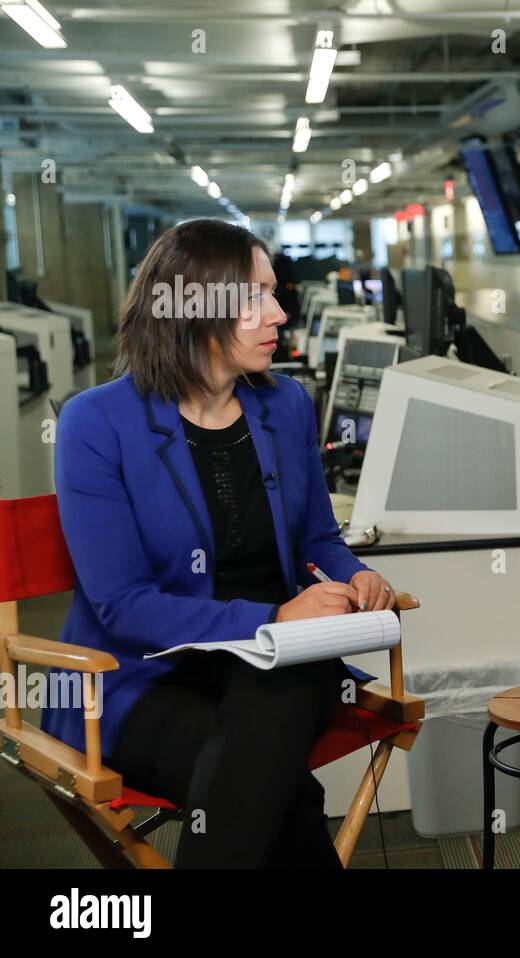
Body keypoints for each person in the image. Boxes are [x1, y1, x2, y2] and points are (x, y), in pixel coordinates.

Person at [41, 218, 397, 867]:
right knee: (266, 779)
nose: (280, 313)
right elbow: (122, 603)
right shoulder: (97, 422)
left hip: (282, 662)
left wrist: (356, 575)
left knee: (266, 720)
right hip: (144, 676)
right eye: (257, 296)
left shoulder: (284, 403)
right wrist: (273, 617)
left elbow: (319, 537)